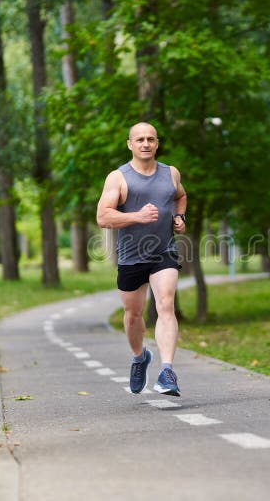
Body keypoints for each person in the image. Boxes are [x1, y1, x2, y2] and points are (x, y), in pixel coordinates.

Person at [96, 122, 187, 396]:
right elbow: (103, 217)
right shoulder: (118, 178)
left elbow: (180, 196)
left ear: (157, 143)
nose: (145, 144)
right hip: (131, 256)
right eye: (140, 140)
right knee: (133, 314)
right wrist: (137, 216)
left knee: (166, 305)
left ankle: (167, 371)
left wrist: (179, 217)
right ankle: (139, 357)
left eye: (150, 139)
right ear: (130, 144)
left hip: (163, 251)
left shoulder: (170, 173)